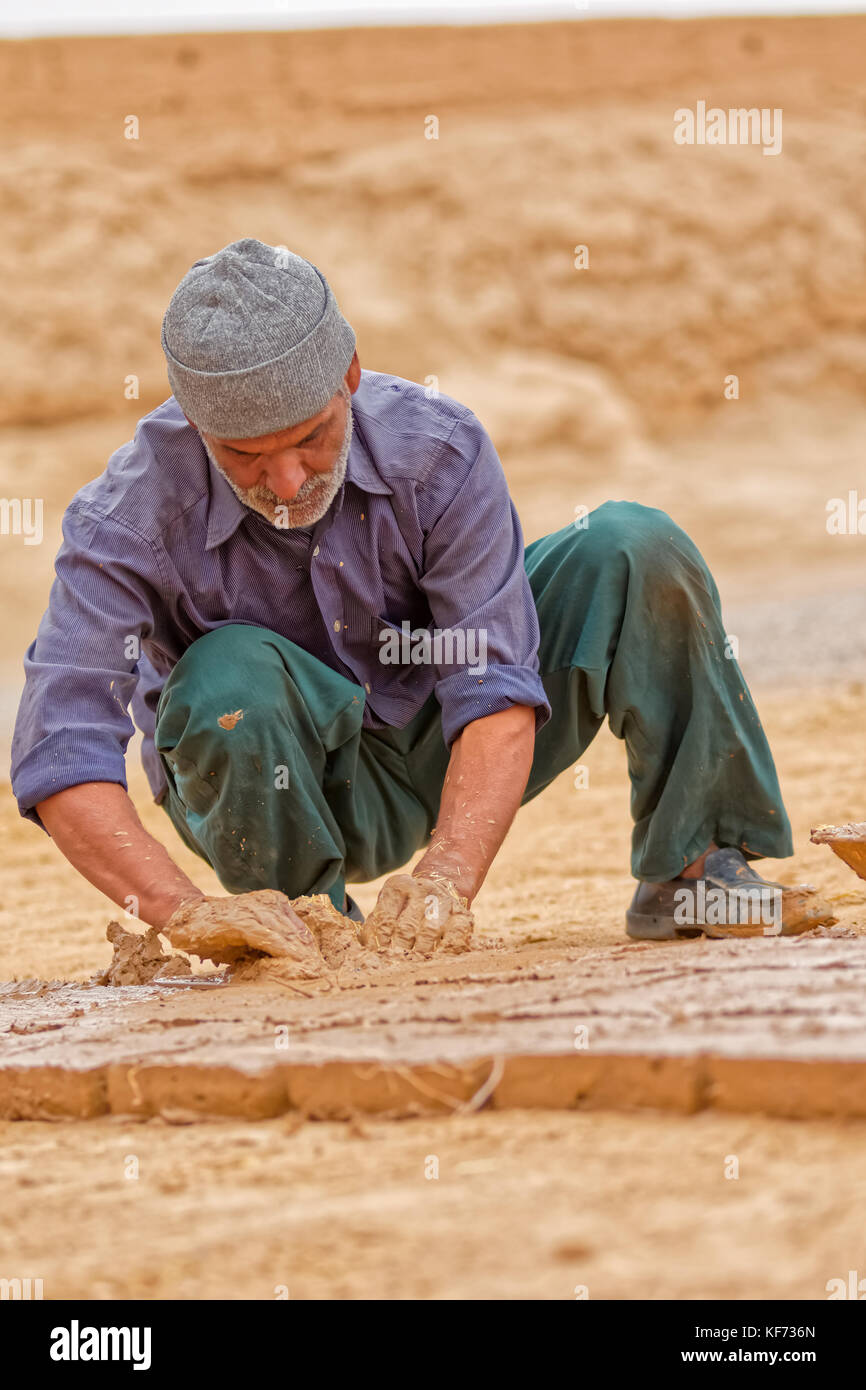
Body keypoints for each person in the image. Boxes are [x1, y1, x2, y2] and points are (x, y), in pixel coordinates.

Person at [11, 239, 822, 966]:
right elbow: (61, 751)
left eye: (311, 438)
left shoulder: (437, 447)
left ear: (351, 376)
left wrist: (446, 877)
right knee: (230, 678)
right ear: (193, 422)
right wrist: (184, 912)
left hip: (446, 745)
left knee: (633, 544)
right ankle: (302, 931)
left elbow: (496, 680)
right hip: (275, 782)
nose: (288, 482)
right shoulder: (127, 518)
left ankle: (692, 873)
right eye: (245, 457)